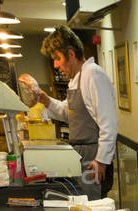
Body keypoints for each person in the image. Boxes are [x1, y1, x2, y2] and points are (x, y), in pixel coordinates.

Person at [36, 26, 118, 194]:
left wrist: (101, 161)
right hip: (81, 156)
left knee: (94, 208)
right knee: (83, 206)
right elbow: (69, 114)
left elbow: (108, 123)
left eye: (58, 58)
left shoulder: (93, 75)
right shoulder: (76, 80)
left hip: (93, 158)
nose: (56, 65)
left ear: (71, 54)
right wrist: (45, 100)